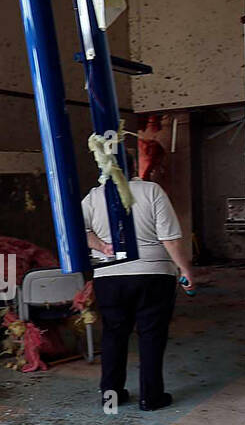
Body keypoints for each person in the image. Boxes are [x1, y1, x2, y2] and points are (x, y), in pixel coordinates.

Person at [82, 171, 199, 412]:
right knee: (151, 335)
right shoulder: (151, 190)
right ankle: (151, 398)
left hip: (109, 276)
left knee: (113, 335)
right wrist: (185, 270)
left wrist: (102, 246)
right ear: (132, 166)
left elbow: (78, 232)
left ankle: (111, 396)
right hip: (153, 275)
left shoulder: (94, 195)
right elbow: (169, 239)